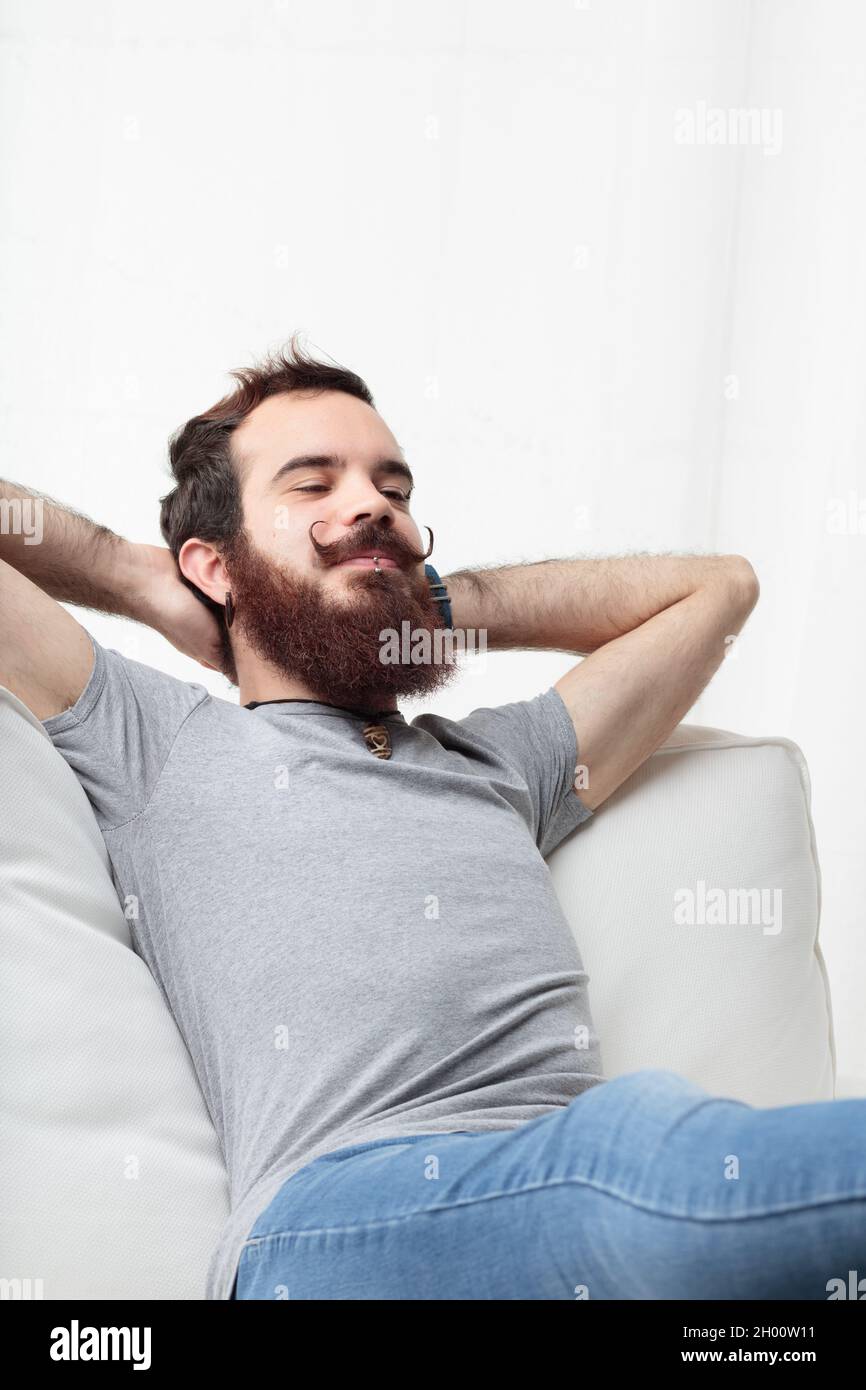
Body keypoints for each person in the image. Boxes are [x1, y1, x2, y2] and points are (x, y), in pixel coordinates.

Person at [4, 336, 860, 1302]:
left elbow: (721, 590)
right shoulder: (155, 742)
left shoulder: (499, 762)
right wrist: (139, 576)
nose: (370, 506)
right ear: (215, 562)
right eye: (311, 486)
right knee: (630, 1165)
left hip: (568, 1214)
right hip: (338, 1224)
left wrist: (417, 594)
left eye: (394, 492)